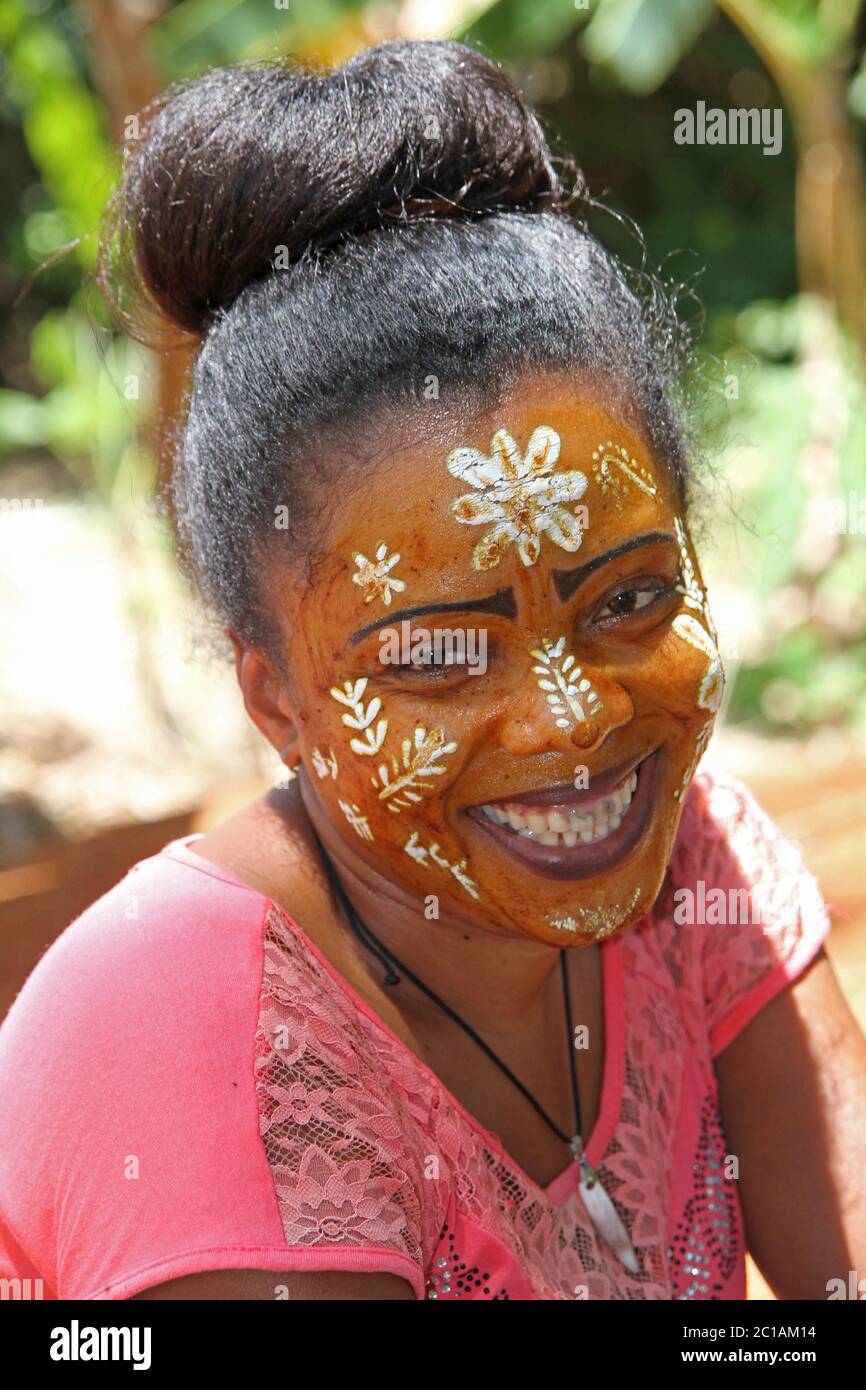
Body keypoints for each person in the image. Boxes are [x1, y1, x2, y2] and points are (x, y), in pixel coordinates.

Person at [1, 38, 865, 1303]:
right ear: (272, 699)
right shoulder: (194, 1037)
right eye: (441, 659)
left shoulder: (692, 865)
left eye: (629, 599)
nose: (574, 720)